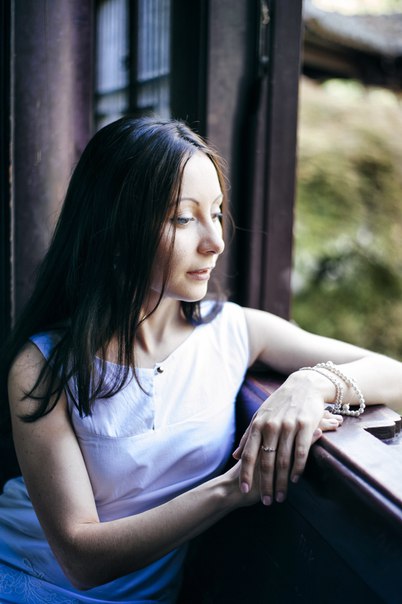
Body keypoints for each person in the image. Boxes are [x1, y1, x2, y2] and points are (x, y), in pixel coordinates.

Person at [1, 116, 402, 604]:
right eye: (183, 218)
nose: (215, 241)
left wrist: (310, 385)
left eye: (216, 212)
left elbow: (394, 374)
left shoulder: (232, 332)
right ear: (116, 225)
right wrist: (235, 487)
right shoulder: (42, 366)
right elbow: (81, 558)